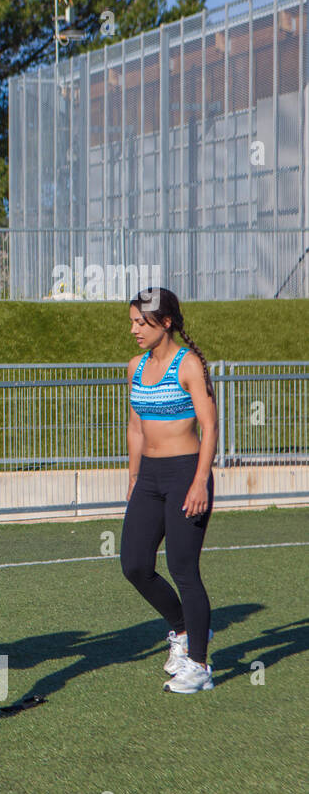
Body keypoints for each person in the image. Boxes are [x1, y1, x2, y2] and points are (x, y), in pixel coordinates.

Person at [121, 287, 218, 693]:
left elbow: (210, 427)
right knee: (135, 565)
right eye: (131, 322)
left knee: (183, 569)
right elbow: (135, 427)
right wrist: (132, 478)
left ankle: (199, 665)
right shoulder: (133, 367)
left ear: (165, 323)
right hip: (149, 479)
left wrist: (199, 481)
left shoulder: (189, 365)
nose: (134, 330)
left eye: (141, 323)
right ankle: (181, 630)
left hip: (185, 474)